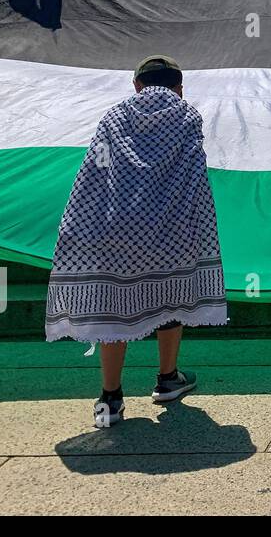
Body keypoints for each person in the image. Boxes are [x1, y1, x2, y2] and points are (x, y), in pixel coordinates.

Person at [44, 55, 227, 428]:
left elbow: (93, 172)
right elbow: (193, 173)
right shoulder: (187, 116)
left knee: (114, 310)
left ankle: (110, 399)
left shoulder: (113, 117)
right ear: (178, 87)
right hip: (171, 228)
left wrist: (79, 227)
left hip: (115, 229)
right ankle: (167, 379)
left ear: (137, 85)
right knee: (171, 297)